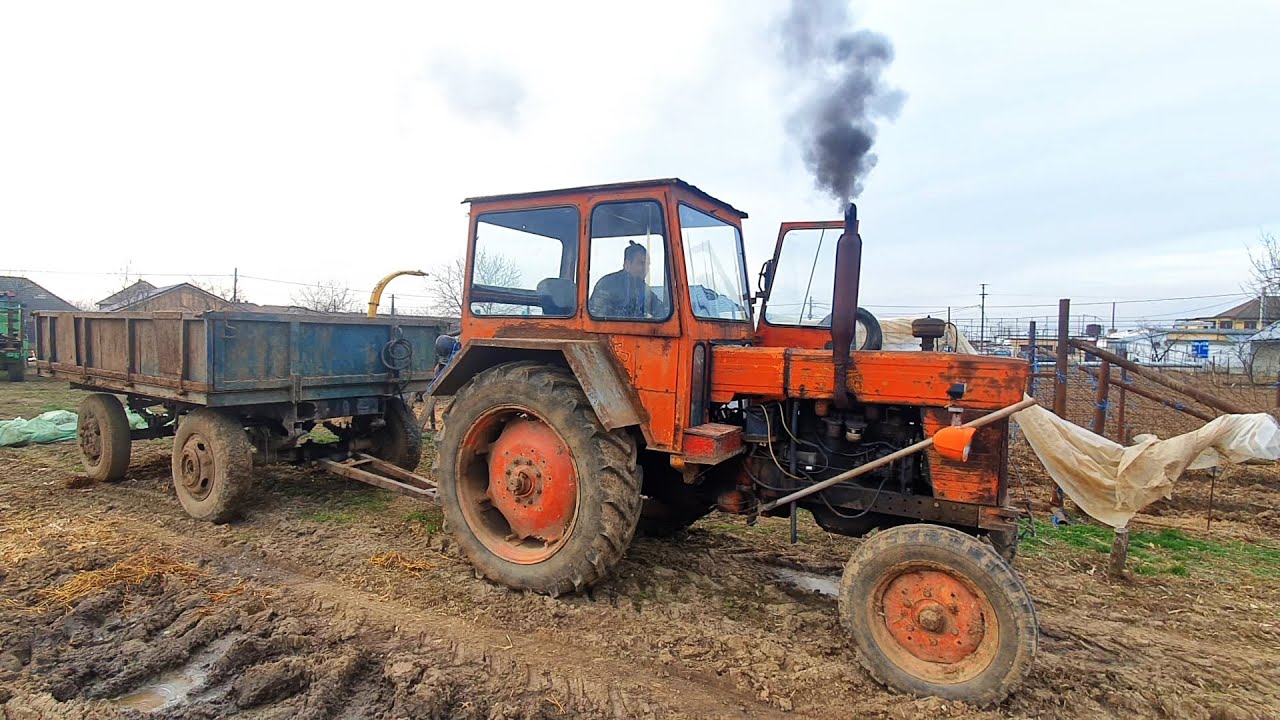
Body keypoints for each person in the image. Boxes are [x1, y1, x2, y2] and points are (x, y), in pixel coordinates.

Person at [589, 241, 666, 318]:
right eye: (641, 263)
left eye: (648, 264)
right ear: (627, 265)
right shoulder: (607, 285)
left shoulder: (642, 288)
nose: (646, 269)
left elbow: (661, 312)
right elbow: (597, 319)